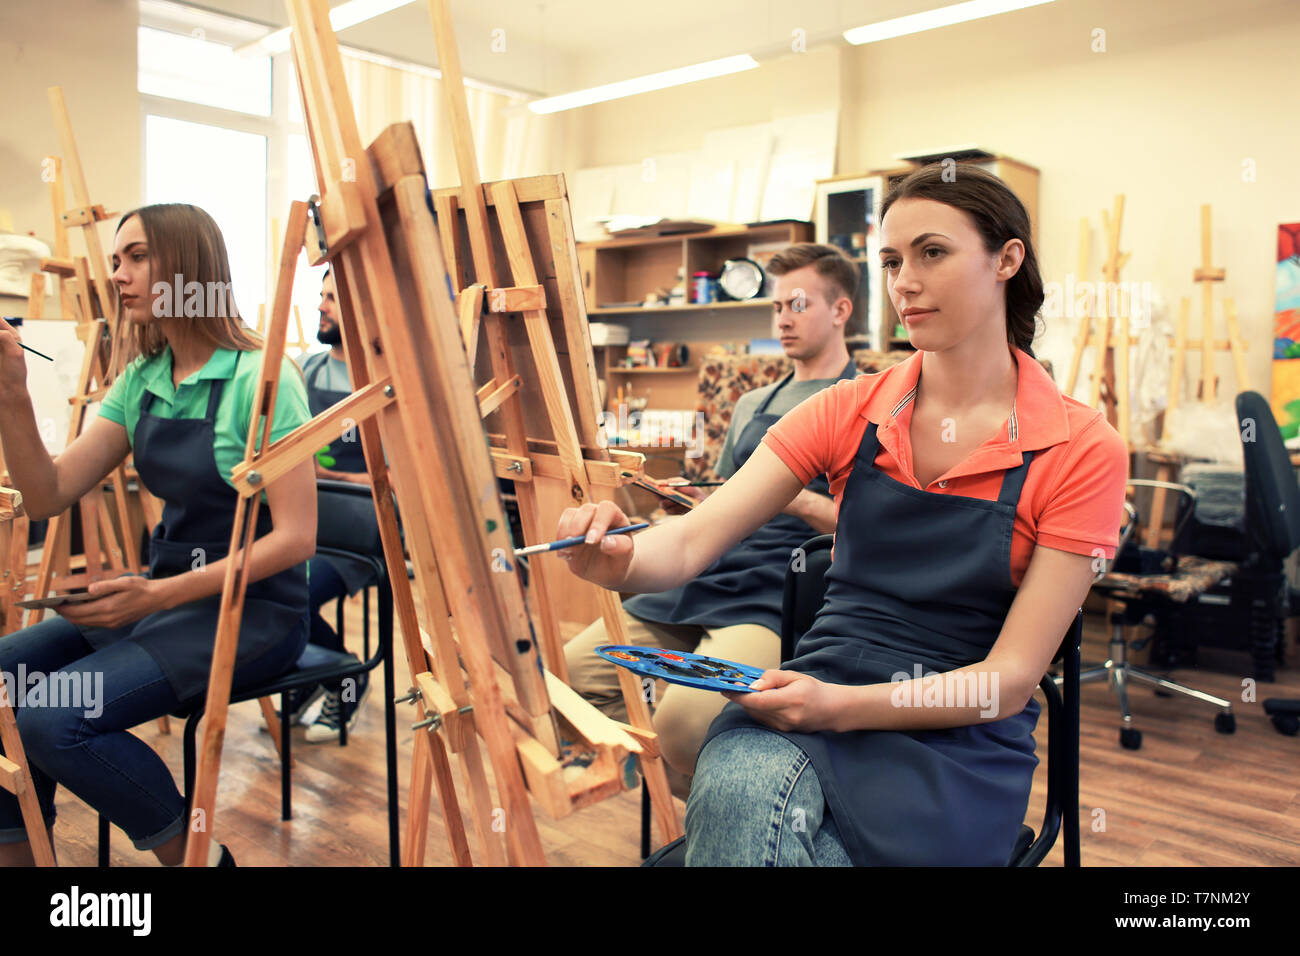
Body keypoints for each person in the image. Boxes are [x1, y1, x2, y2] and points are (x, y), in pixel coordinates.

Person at [557, 164, 1129, 866]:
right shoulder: (845, 408)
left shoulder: (1081, 449)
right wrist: (616, 556)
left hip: (955, 743)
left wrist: (836, 708)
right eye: (891, 261)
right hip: (817, 687)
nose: (904, 283)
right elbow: (687, 543)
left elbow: (1007, 682)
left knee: (743, 827)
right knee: (735, 789)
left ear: (1007, 259)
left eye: (932, 253)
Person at [0, 203, 315, 866]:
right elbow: (47, 494)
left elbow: (295, 539)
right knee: (4, 681)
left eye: (137, 256)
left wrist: (159, 595)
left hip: (251, 611)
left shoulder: (262, 380)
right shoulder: (143, 378)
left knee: (53, 717)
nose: (119, 274)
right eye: (116, 259)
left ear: (189, 265)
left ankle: (200, 861)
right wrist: (12, 395)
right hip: (162, 601)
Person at [564, 243, 859, 796]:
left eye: (798, 304)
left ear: (841, 310)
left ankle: (736, 806)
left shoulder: (866, 401)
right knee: (574, 672)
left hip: (784, 584)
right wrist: (687, 500)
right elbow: (722, 502)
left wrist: (792, 498)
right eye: (777, 307)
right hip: (714, 567)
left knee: (683, 725)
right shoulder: (753, 402)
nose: (783, 319)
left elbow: (872, 525)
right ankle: (694, 794)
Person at [291, 269, 372, 742]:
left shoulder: (386, 381)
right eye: (322, 296)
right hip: (301, 520)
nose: (321, 306)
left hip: (359, 529)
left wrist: (332, 476)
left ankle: (344, 677)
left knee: (292, 595)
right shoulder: (305, 369)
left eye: (334, 299)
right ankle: (312, 674)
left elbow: (404, 482)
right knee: (253, 583)